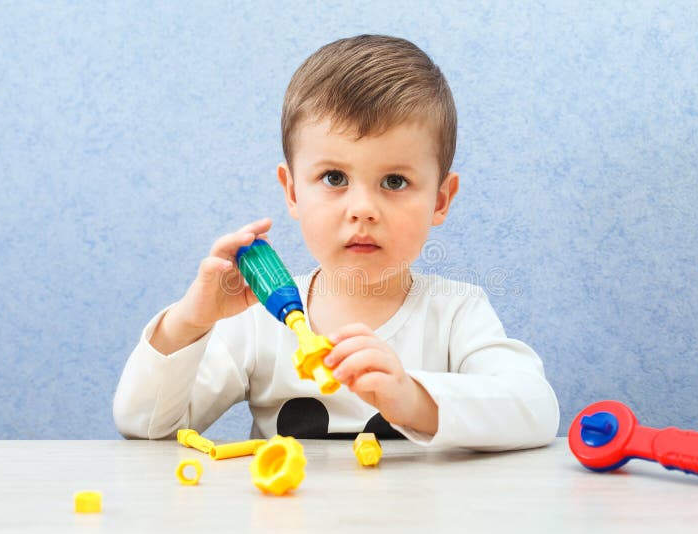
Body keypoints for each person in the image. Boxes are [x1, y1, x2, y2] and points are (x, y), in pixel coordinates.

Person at [113, 34, 559, 450]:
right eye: (334, 178)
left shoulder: (456, 312)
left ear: (440, 200)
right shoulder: (256, 319)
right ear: (292, 191)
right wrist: (189, 323)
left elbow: (537, 409)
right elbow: (144, 425)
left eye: (395, 181)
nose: (362, 209)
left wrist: (415, 400)